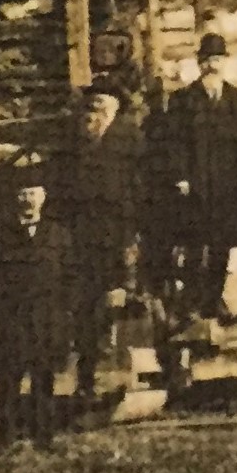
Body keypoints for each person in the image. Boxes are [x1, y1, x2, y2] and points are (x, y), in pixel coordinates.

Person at [148, 34, 237, 331]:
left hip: (227, 187)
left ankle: (213, 300)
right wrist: (181, 177)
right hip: (196, 186)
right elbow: (174, 144)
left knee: (222, 246)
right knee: (194, 246)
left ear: (224, 64)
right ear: (200, 64)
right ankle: (190, 303)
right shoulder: (183, 100)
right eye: (208, 60)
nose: (213, 66)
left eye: (217, 60)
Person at [0, 168, 72, 449]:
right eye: (22, 194)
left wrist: (65, 313)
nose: (28, 199)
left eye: (33, 193)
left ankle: (43, 437)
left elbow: (70, 278)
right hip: (11, 320)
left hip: (45, 319)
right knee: (8, 380)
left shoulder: (58, 235)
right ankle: (5, 439)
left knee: (43, 379)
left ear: (43, 197)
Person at [61, 85, 144, 401]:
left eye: (99, 109)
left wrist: (134, 237)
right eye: (89, 109)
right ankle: (88, 380)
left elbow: (140, 191)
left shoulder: (130, 143)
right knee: (88, 311)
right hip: (84, 243)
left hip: (121, 239)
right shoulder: (75, 148)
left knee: (126, 306)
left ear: (112, 112)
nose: (92, 116)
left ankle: (137, 374)